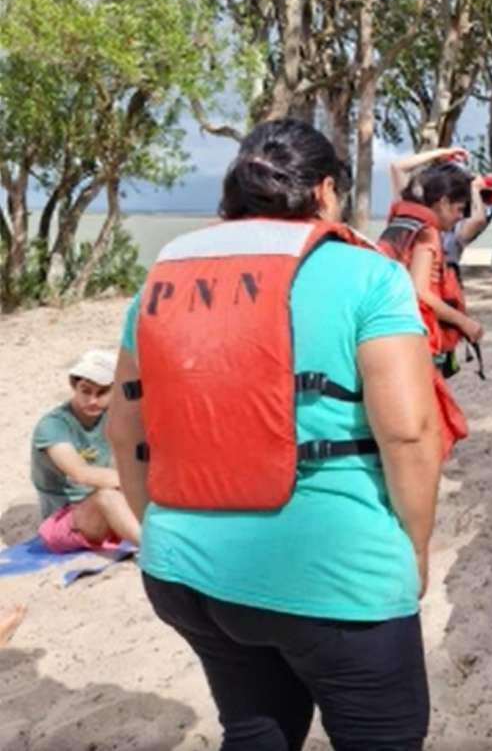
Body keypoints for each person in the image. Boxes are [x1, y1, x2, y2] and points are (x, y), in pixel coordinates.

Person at [105, 119, 443, 750]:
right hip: (333, 574)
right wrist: (415, 549)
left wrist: (166, 528)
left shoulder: (161, 276)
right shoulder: (367, 274)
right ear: (324, 193)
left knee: (257, 731)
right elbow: (410, 434)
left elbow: (125, 432)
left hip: (182, 572)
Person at [377, 164, 477, 457]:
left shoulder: (402, 222)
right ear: (443, 202)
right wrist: (465, 323)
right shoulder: (427, 234)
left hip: (390, 328)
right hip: (416, 336)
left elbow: (397, 167)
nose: (459, 217)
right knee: (426, 412)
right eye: (459, 209)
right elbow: (420, 291)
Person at [30, 348, 141, 553]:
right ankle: (159, 550)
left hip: (108, 504)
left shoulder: (113, 416)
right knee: (109, 496)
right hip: (64, 520)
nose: (92, 400)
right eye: (85, 390)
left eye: (102, 392)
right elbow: (81, 473)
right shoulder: (53, 425)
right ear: (74, 386)